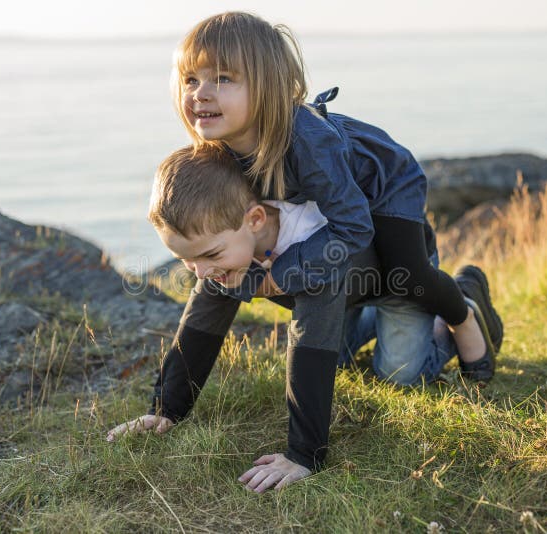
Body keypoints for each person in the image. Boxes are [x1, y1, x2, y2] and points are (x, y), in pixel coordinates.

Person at [107, 146, 502, 492]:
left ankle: (462, 296)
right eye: (185, 260)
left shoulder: (313, 250)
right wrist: (166, 409)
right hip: (350, 294)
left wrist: (303, 455)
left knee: (397, 373)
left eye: (209, 256)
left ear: (256, 219)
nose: (200, 271)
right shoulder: (222, 244)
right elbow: (202, 322)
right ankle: (368, 322)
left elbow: (311, 343)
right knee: (340, 358)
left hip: (395, 286)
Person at [169, 11, 503, 380]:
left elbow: (353, 226)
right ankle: (372, 313)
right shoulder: (217, 154)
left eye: (222, 78)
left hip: (384, 187)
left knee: (405, 278)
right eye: (190, 79)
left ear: (267, 85)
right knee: (336, 357)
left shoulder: (307, 141)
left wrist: (282, 274)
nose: (200, 93)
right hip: (343, 224)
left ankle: (463, 310)